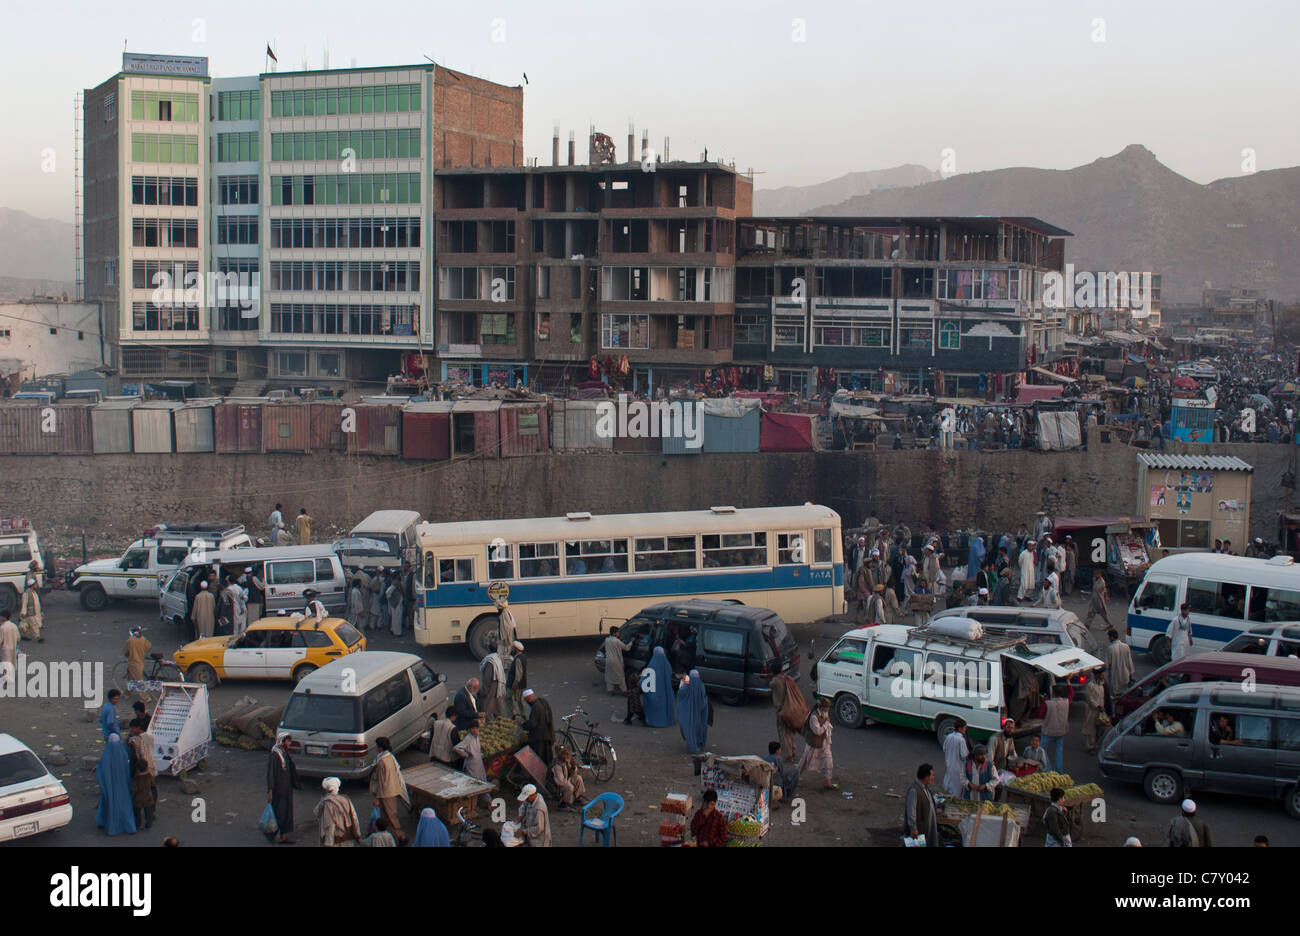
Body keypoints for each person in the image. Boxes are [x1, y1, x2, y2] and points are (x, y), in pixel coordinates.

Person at [369, 736, 410, 844]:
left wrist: (377, 798)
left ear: (380, 747)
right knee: (387, 815)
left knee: (391, 816)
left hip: (386, 793)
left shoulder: (382, 761)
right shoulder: (389, 757)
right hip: (391, 790)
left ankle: (401, 837)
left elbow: (381, 782)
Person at [95, 734, 137, 836]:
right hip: (123, 786)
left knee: (109, 804)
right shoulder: (122, 753)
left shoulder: (107, 756)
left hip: (110, 786)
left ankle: (109, 825)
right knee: (125, 806)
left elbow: (102, 772)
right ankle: (129, 827)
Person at [266, 732, 299, 843]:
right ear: (282, 742)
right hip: (278, 790)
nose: (290, 743)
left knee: (286, 813)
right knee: (278, 813)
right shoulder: (275, 755)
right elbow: (270, 774)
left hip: (287, 789)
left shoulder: (284, 753)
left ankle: (283, 837)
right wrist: (270, 790)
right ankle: (272, 834)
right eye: (288, 741)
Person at [126, 717, 157, 831]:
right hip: (151, 767)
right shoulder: (150, 737)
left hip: (141, 767)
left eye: (132, 728)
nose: (131, 730)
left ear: (137, 727)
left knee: (137, 808)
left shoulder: (134, 740)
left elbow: (133, 756)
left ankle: (138, 824)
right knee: (152, 794)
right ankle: (150, 818)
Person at [770, 672, 807, 765]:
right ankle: (793, 752)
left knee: (784, 735)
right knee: (791, 733)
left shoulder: (775, 682)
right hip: (792, 712)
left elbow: (776, 697)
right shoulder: (788, 678)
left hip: (783, 713)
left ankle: (788, 756)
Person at [798, 699, 834, 790]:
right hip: (814, 742)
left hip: (824, 742)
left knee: (828, 761)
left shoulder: (824, 714)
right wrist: (826, 724)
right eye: (827, 707)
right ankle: (795, 777)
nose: (828, 709)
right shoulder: (814, 717)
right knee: (804, 761)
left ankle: (828, 782)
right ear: (821, 707)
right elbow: (817, 731)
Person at [314, 777, 361, 846]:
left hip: (334, 840)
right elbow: (354, 818)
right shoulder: (346, 800)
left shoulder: (328, 804)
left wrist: (328, 843)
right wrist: (357, 834)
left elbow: (329, 825)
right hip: (346, 837)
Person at [676, 669, 711, 753]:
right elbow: (704, 700)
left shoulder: (685, 688)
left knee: (690, 729)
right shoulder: (701, 686)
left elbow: (680, 696)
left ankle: (692, 746)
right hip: (700, 714)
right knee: (700, 729)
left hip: (689, 714)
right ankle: (700, 744)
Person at [904, 763, 939, 846]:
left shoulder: (925, 789)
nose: (933, 778)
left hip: (927, 829)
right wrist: (913, 828)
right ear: (926, 777)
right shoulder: (914, 791)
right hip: (919, 831)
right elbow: (911, 811)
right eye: (932, 775)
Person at [642, 645, 676, 728]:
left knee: (651, 702)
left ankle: (652, 721)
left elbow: (645, 678)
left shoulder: (652, 664)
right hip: (665, 691)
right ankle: (665, 720)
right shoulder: (667, 665)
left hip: (653, 691)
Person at [1104, 628, 1135, 715]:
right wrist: (1130, 675)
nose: (1108, 639)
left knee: (1114, 698)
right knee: (1124, 696)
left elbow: (1107, 665)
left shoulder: (1110, 649)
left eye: (1109, 637)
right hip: (1125, 677)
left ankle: (1115, 714)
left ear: (1112, 637)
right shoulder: (1126, 646)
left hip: (1115, 678)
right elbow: (1130, 663)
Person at [520, 689, 555, 765]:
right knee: (547, 758)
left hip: (540, 737)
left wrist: (523, 726)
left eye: (527, 700)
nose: (527, 702)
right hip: (547, 734)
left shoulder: (536, 707)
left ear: (529, 698)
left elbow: (533, 723)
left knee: (540, 759)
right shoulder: (543, 701)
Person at [1042, 684, 1070, 773]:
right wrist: (1068, 681)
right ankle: (1059, 771)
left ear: (1053, 693)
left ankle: (1048, 768)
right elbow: (1071, 694)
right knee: (1058, 751)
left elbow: (1040, 714)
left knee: (1042, 750)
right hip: (1061, 731)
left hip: (1048, 731)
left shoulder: (1047, 703)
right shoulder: (1066, 702)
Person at [452, 719, 487, 784]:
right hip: (471, 765)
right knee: (473, 782)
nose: (475, 730)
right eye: (473, 728)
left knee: (481, 780)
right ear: (470, 730)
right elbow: (456, 748)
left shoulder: (477, 736)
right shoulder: (468, 738)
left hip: (478, 763)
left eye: (476, 728)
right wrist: (464, 754)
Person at [1081, 668, 1107, 754]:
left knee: (1101, 727)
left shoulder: (1101, 685)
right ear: (1096, 675)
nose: (1103, 675)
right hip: (1092, 710)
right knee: (1091, 729)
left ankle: (1095, 743)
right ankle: (1090, 747)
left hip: (1100, 711)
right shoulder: (1090, 685)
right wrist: (1098, 706)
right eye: (1101, 674)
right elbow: (1089, 699)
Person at [942, 719, 969, 796]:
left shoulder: (949, 737)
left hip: (949, 764)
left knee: (950, 785)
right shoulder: (961, 740)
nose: (965, 729)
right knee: (958, 789)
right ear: (960, 729)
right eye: (964, 728)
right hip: (958, 768)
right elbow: (964, 755)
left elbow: (944, 749)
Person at [603, 627, 634, 694]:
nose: (618, 633)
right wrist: (631, 642)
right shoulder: (617, 641)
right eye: (617, 632)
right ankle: (624, 691)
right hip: (616, 661)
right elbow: (626, 648)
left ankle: (610, 690)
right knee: (620, 676)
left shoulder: (606, 640)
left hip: (608, 660)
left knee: (609, 675)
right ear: (614, 633)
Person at [478, 647, 506, 719]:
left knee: (487, 708)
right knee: (498, 708)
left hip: (491, 688)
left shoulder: (490, 661)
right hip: (499, 687)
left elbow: (488, 678)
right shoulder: (497, 658)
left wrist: (484, 690)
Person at [18, 564, 43, 641]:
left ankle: (24, 636)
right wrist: (23, 612)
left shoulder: (33, 592)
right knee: (34, 625)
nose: (36, 585)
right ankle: (38, 637)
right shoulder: (27, 594)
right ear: (32, 585)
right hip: (30, 612)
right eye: (35, 584)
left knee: (28, 625)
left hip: (34, 612)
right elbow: (24, 603)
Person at [506, 640, 528, 719]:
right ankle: (522, 714)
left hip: (516, 684)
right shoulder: (523, 657)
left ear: (517, 649)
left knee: (509, 698)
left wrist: (515, 684)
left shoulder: (518, 659)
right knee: (519, 700)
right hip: (522, 684)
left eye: (513, 648)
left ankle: (514, 714)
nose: (512, 649)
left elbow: (518, 674)